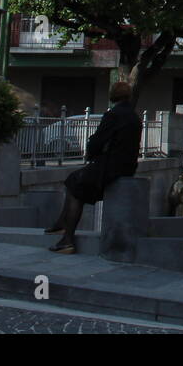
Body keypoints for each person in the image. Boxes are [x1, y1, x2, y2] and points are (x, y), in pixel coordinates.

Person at [45, 82, 141, 253]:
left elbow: (97, 142)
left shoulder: (113, 115)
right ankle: (60, 224)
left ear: (113, 96)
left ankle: (67, 239)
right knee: (73, 180)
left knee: (74, 184)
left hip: (109, 167)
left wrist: (91, 152)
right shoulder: (135, 117)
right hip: (127, 168)